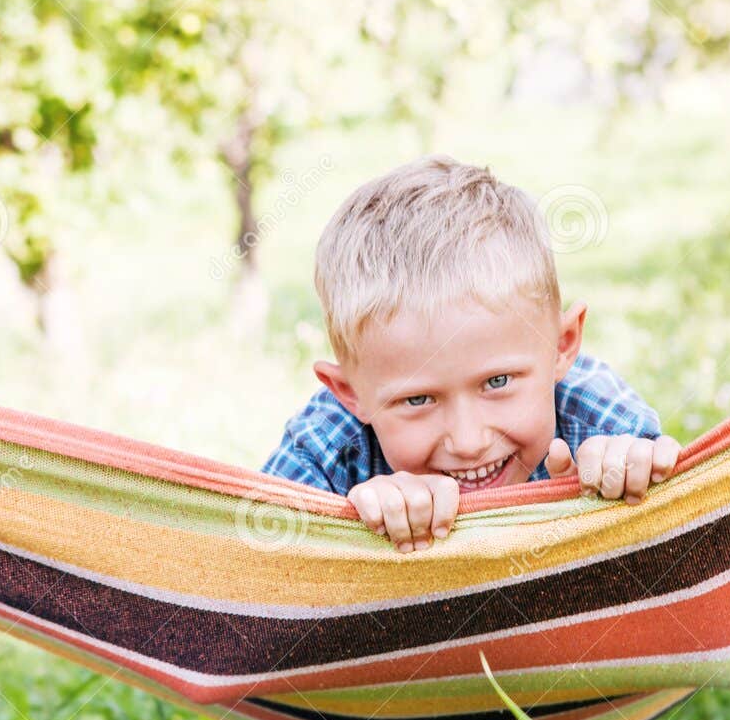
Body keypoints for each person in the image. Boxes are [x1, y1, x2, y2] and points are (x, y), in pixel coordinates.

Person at [262, 154, 679, 553]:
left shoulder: (598, 424)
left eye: (497, 382)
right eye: (418, 399)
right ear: (350, 393)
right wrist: (353, 531)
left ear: (562, 345)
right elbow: (250, 578)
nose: (467, 442)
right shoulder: (326, 450)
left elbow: (682, 552)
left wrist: (622, 495)